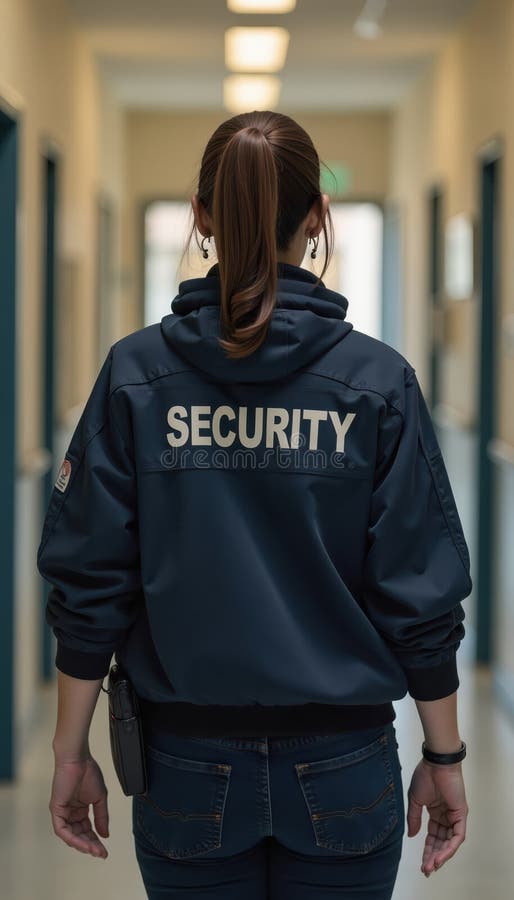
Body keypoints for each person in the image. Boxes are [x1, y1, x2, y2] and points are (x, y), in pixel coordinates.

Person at [37, 110, 470, 900]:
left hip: (185, 765)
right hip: (345, 762)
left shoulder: (136, 380)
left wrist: (71, 750)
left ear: (201, 217)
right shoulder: (376, 385)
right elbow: (419, 592)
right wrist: (442, 756)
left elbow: (89, 584)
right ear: (317, 218)